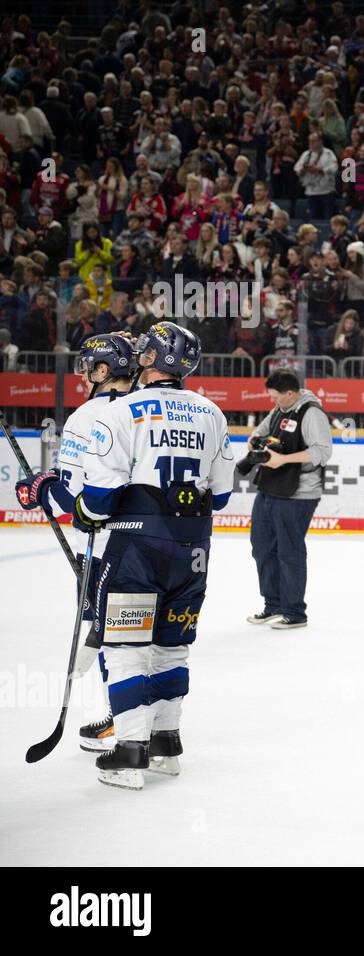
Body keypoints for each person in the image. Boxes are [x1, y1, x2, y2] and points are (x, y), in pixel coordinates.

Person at [68, 322, 235, 790]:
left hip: (137, 548)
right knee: (172, 645)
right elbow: (220, 496)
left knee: (125, 650)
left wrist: (82, 510)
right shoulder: (212, 413)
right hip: (193, 548)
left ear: (146, 360)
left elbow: (97, 499)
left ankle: (130, 750)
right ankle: (166, 744)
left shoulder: (122, 411)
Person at [13, 335, 137, 754]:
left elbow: (74, 500)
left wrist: (40, 489)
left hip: (107, 546)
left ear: (104, 372)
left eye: (88, 366)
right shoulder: (148, 408)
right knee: (150, 636)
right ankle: (151, 721)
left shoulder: (87, 417)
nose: (83, 374)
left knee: (111, 634)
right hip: (160, 542)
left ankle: (120, 721)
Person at [238, 369, 335, 629]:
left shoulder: (311, 413)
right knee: (261, 546)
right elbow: (262, 430)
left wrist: (283, 459)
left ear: (290, 393)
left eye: (276, 397)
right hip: (270, 486)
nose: (273, 402)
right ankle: (273, 605)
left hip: (299, 492)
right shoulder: (281, 409)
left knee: (289, 551)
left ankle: (294, 612)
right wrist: (254, 440)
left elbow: (323, 452)